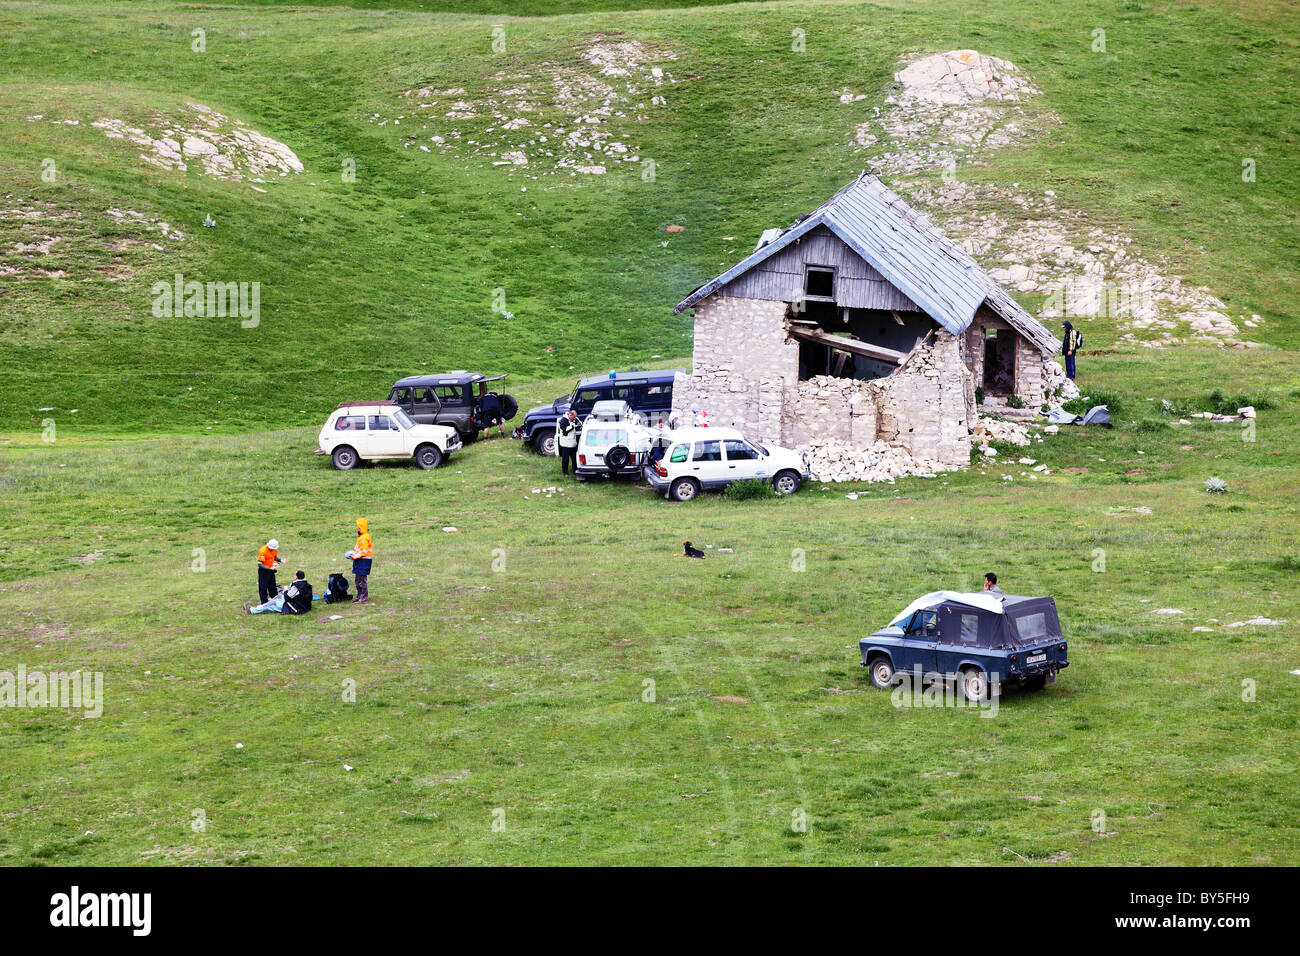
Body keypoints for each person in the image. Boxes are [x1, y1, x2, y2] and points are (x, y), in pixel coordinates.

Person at [246, 570, 313, 615]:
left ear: (296, 577)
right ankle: (260, 606)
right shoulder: (306, 584)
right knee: (279, 596)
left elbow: (287, 597)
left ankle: (252, 610)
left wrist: (286, 590)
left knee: (272, 604)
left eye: (294, 574)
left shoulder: (297, 586)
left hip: (296, 608)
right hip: (303, 606)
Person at [346, 517, 373, 604]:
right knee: (357, 580)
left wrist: (354, 556)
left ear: (361, 527)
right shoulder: (362, 537)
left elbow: (364, 552)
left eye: (358, 526)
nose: (357, 528)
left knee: (362, 580)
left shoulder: (364, 538)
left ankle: (363, 599)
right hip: (360, 560)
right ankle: (359, 597)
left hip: (363, 561)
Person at [256, 539, 282, 603]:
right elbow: (260, 564)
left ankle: (275, 600)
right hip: (263, 571)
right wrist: (269, 568)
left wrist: (280, 560)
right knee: (263, 587)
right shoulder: (263, 551)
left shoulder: (275, 550)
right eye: (272, 548)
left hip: (271, 570)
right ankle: (264, 602)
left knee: (272, 585)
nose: (273, 549)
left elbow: (275, 557)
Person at [556, 408, 580, 476]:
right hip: (566, 443)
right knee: (565, 459)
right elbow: (564, 430)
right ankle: (565, 472)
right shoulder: (563, 420)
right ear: (570, 415)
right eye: (574, 417)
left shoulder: (571, 419)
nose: (574, 418)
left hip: (572, 443)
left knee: (574, 458)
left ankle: (575, 470)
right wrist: (572, 426)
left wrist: (577, 426)